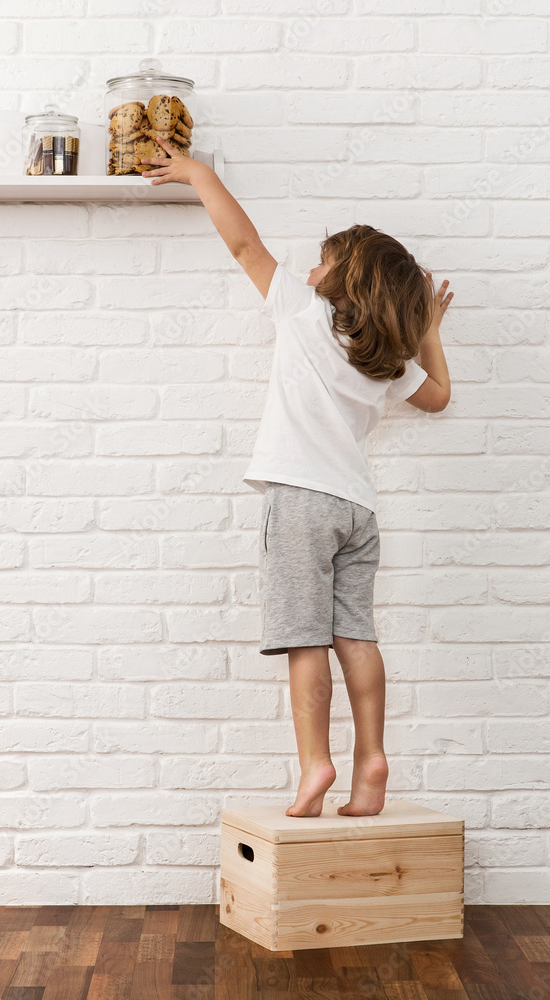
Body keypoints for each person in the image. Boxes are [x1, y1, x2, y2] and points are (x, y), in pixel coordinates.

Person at [140, 138, 453, 818]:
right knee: (356, 635)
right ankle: (372, 762)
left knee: (303, 639)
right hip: (356, 511)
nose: (307, 269)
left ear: (341, 282)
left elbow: (244, 247)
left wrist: (198, 174)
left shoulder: (304, 314)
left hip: (300, 501)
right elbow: (437, 396)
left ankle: (316, 765)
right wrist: (427, 328)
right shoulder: (387, 361)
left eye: (321, 261)